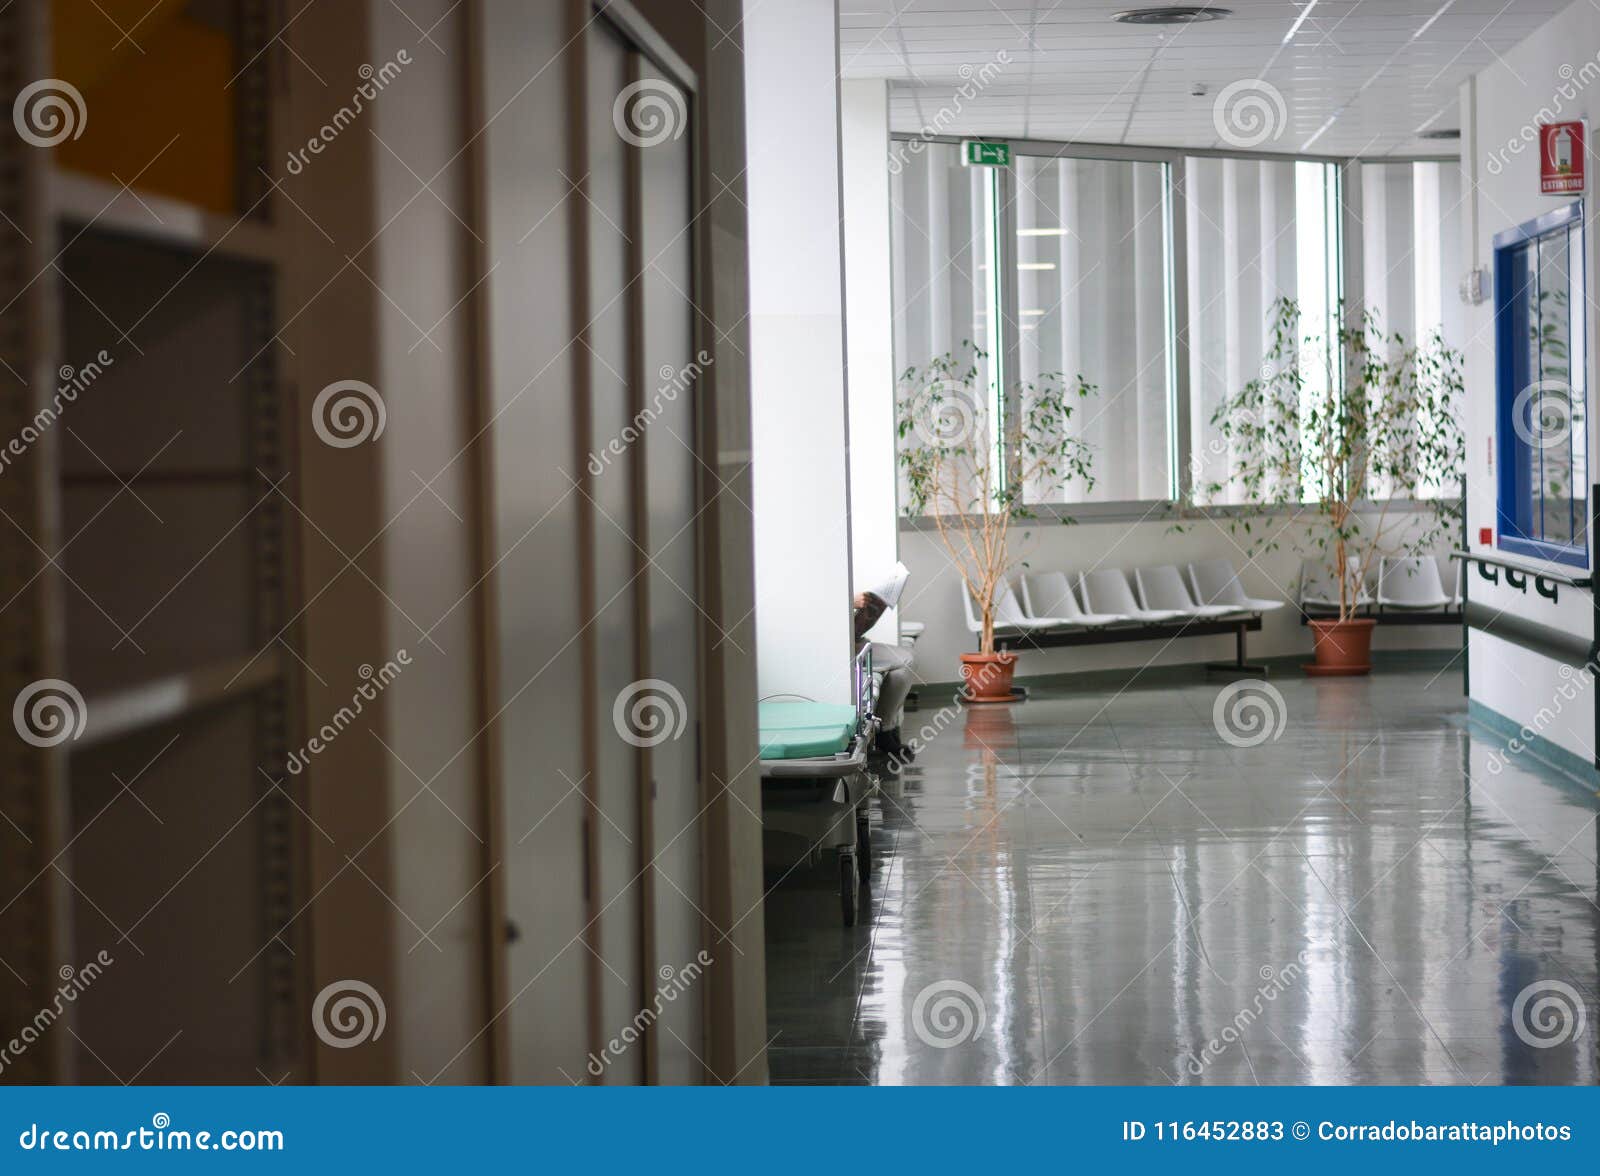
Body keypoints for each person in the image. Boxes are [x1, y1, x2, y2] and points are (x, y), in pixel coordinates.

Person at [853, 590, 915, 761]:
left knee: (902, 669)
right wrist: (851, 602)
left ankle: (887, 728)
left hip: (854, 641)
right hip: (842, 647)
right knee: (906, 661)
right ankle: (885, 732)